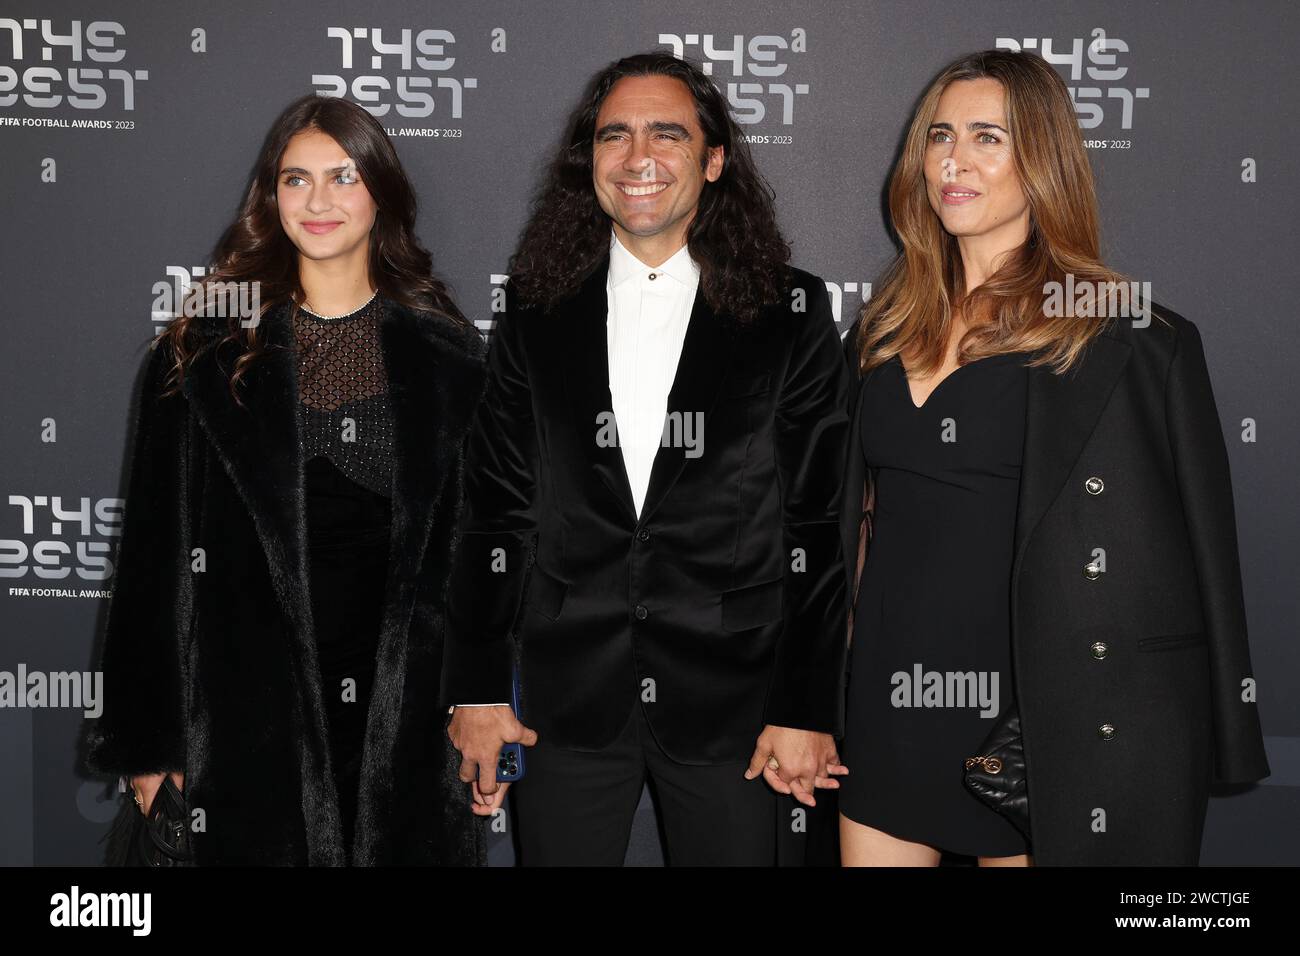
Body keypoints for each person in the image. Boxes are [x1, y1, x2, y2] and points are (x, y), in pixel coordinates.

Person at [837, 49, 1269, 866]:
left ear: (1043, 161)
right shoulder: (880, 332)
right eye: (939, 136)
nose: (953, 160)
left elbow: (1203, 557)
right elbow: (857, 524)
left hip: (1042, 723)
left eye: (987, 137)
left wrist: (1217, 724)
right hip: (890, 706)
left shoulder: (1130, 339)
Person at [441, 52, 851, 866]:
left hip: (739, 705)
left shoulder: (789, 314)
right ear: (588, 160)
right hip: (565, 700)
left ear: (713, 159)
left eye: (668, 133)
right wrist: (479, 687)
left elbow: (820, 522)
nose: (638, 158)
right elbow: (494, 510)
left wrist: (806, 704)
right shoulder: (534, 311)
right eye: (614, 135)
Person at [84, 93, 487, 865]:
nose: (319, 200)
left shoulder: (453, 363)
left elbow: (479, 562)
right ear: (270, 198)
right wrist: (148, 740)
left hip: (401, 731)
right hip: (242, 725)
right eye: (295, 180)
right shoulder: (199, 359)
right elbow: (149, 564)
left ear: (383, 192)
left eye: (343, 176)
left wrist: (479, 704)